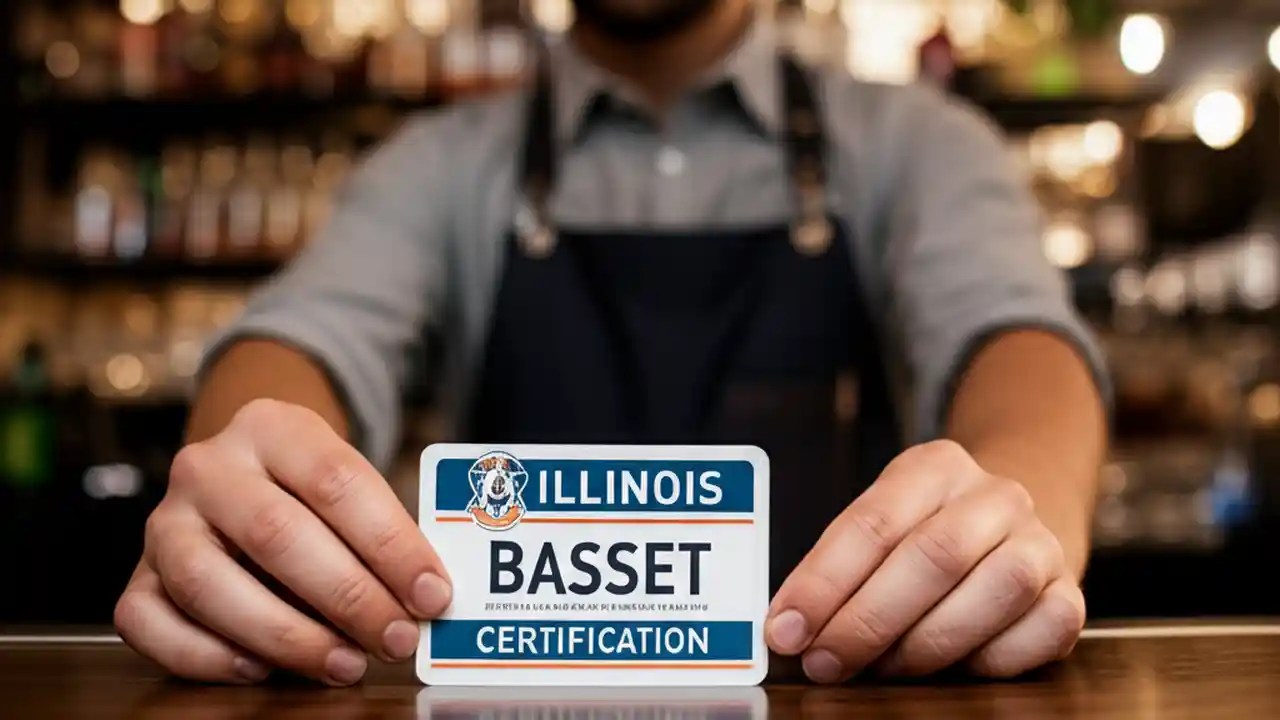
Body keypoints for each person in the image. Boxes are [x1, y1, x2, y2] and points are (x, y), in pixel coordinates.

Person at [113, 0, 1110, 687]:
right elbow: (304, 336)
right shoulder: (433, 167)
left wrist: (1020, 498)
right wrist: (251, 477)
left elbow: (1014, 333)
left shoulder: (917, 145)